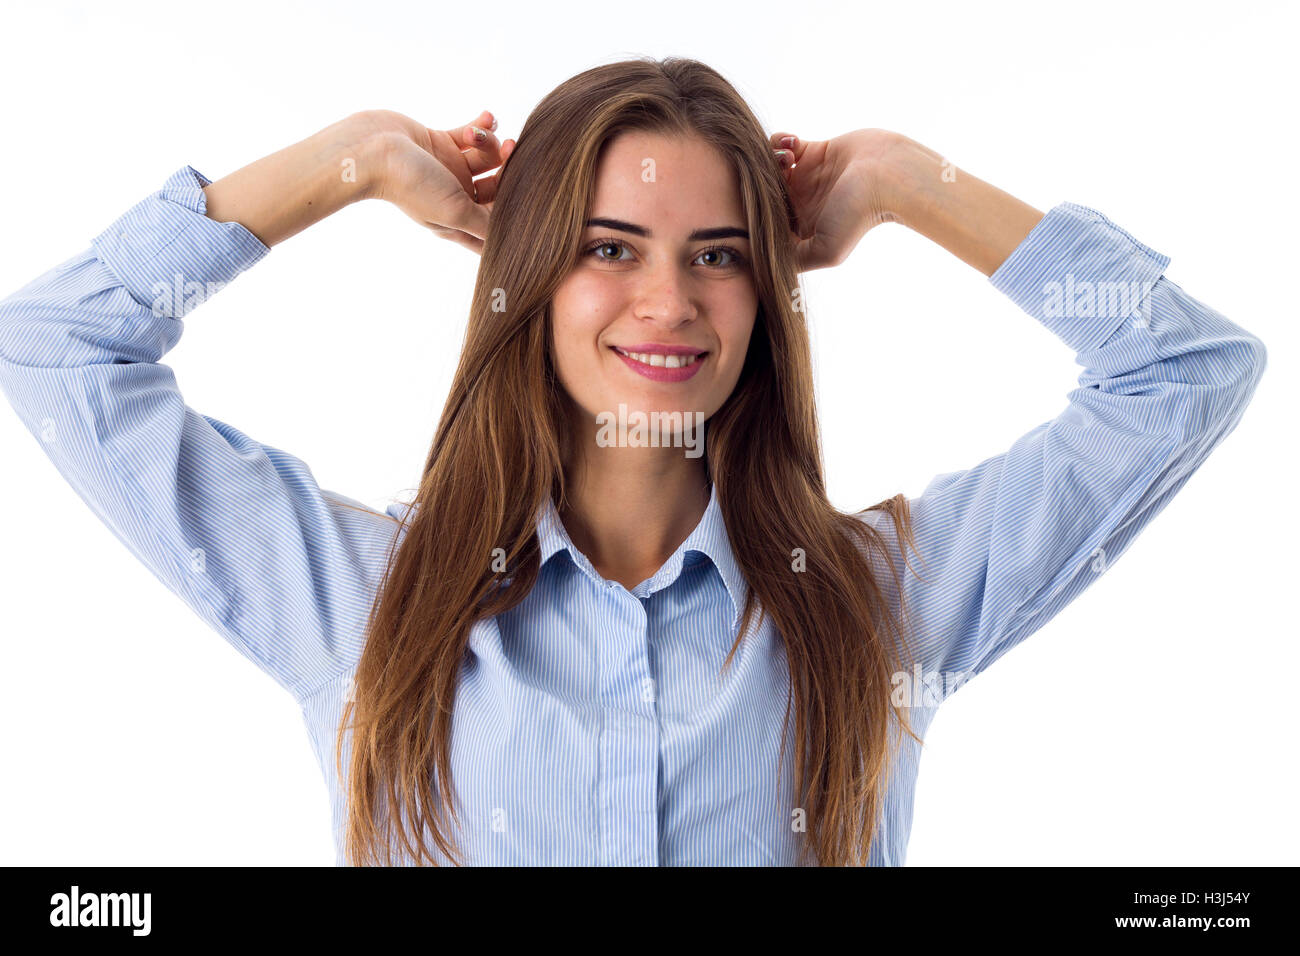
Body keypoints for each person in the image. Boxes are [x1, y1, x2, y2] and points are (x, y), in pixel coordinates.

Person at [0, 57, 1267, 866]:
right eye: (608, 246)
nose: (668, 300)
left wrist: (900, 180)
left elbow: (1184, 376)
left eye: (718, 254)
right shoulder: (362, 599)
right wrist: (358, 160)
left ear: (766, 294)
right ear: (530, 279)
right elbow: (53, 349)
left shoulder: (885, 602)